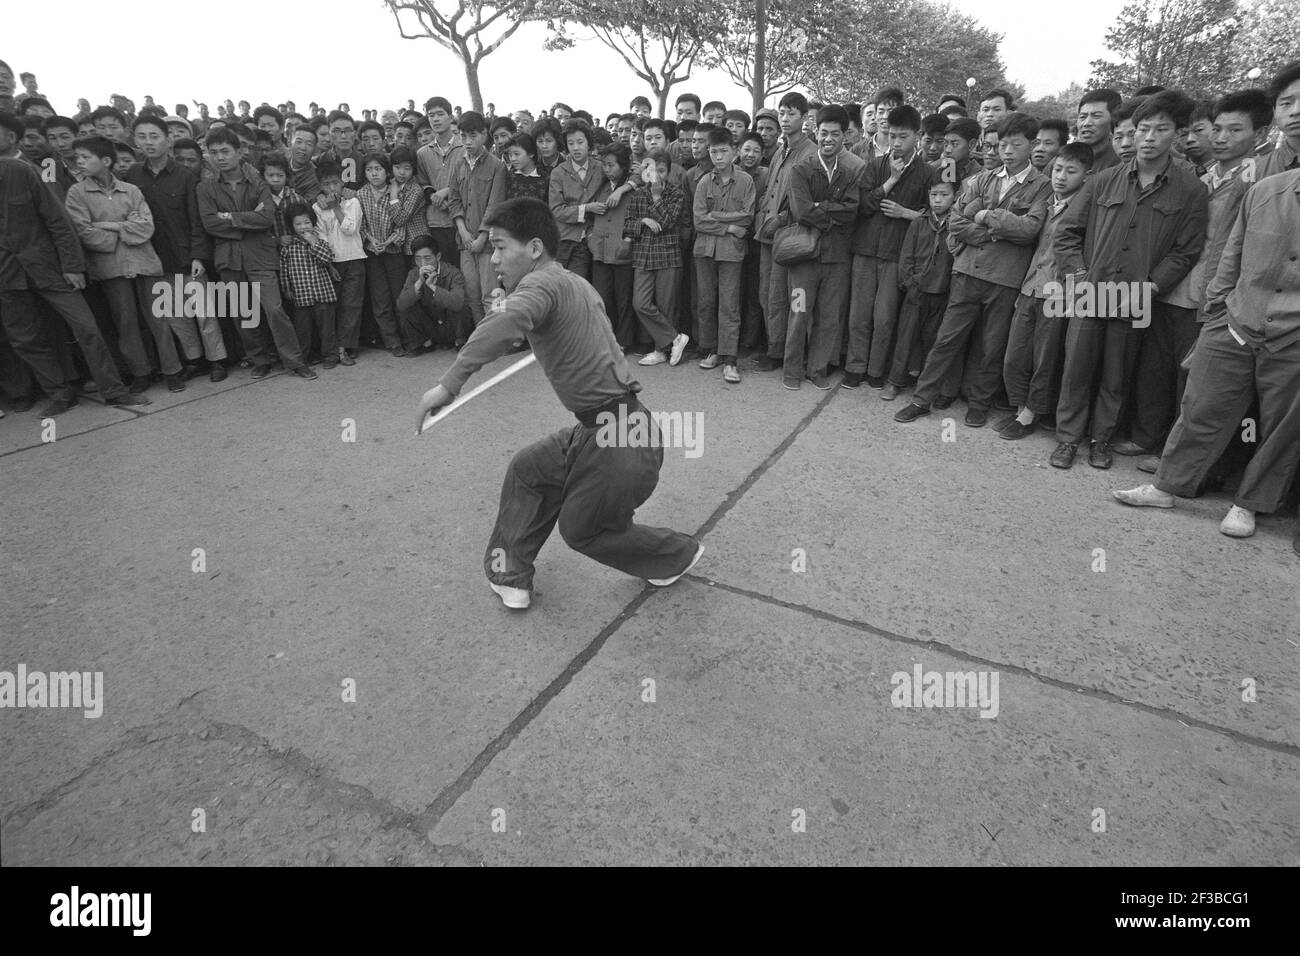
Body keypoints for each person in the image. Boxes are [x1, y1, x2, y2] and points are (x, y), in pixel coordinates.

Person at [415, 198, 703, 609]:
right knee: (530, 469)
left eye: (499, 247)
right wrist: (512, 308)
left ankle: (675, 554)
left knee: (582, 529)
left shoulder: (540, 286)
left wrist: (447, 386)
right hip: (612, 427)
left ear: (534, 249)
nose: (493, 257)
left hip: (619, 439)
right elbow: (518, 320)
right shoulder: (572, 283)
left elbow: (504, 325)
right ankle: (510, 573)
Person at [1112, 166, 1300, 543]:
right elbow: (1233, 250)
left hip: (1293, 336)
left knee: (1283, 427)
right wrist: (1217, 303)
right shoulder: (1266, 190)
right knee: (1200, 406)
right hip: (1236, 318)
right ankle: (1167, 486)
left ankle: (1249, 504)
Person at [1046, 91, 1208, 470]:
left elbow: (1185, 251)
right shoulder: (1103, 181)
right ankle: (1068, 439)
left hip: (1136, 296)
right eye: (1142, 130)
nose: (1149, 138)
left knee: (1116, 375)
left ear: (1177, 134)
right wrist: (1079, 277)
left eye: (1160, 129)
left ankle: (1101, 439)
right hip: (1089, 291)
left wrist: (1152, 286)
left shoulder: (1190, 191)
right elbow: (1067, 232)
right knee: (1076, 370)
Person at [894, 113, 1053, 427]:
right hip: (967, 272)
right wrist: (995, 230)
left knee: (990, 347)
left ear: (1031, 145)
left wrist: (984, 214)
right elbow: (956, 220)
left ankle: (979, 404)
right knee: (945, 340)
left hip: (1006, 279)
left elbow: (1029, 229)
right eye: (1003, 144)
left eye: (1015, 144)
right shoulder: (983, 178)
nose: (1007, 151)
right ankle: (922, 399)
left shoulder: (1042, 186)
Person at [0, 115, 149, 415]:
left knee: (87, 328)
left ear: (11, 137)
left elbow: (58, 222)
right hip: (7, 275)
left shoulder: (23, 171)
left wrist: (72, 265)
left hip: (50, 268)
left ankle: (114, 390)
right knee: (24, 338)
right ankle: (59, 392)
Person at [64, 134, 185, 393]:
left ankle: (172, 370)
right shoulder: (76, 193)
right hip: (111, 267)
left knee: (159, 319)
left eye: (86, 157)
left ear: (105, 160)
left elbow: (146, 228)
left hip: (146, 262)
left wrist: (109, 225)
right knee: (126, 322)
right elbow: (84, 232)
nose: (80, 162)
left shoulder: (131, 190)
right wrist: (125, 229)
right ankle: (141, 372)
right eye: (78, 158)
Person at [196, 126, 316, 380]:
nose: (220, 157)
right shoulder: (205, 188)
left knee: (274, 310)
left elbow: (265, 217)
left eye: (225, 151)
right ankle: (259, 359)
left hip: (261, 256)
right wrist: (245, 222)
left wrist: (229, 218)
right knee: (243, 313)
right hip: (229, 258)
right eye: (214, 152)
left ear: (239, 152)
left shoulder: (258, 183)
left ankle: (294, 360)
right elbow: (210, 224)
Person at [997, 143, 1093, 438]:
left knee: (1044, 358)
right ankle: (1019, 407)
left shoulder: (1085, 210)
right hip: (1029, 287)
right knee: (1015, 355)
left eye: (1071, 171)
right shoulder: (1046, 203)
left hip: (1058, 293)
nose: (1061, 177)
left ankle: (1029, 414)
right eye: (1058, 169)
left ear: (1086, 177)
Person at [125, 113, 226, 382]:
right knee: (175, 315)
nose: (149, 142)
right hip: (153, 258)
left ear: (168, 140)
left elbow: (196, 220)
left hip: (186, 255)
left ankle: (217, 360)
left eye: (154, 136)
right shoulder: (132, 175)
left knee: (204, 312)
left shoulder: (185, 176)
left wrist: (198, 255)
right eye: (142, 136)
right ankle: (195, 360)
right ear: (134, 140)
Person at [844, 104, 937, 390]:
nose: (897, 143)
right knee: (858, 314)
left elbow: (937, 217)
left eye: (904, 137)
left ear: (917, 136)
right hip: (866, 248)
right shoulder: (875, 165)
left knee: (884, 317)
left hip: (897, 253)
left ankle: (875, 369)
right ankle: (855, 367)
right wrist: (891, 180)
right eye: (893, 136)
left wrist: (906, 213)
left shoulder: (928, 173)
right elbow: (863, 204)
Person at [782, 105, 864, 391]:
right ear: (815, 133)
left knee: (829, 318)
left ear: (844, 137)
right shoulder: (800, 169)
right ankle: (791, 370)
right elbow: (802, 211)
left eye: (835, 134)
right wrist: (832, 214)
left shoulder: (851, 171)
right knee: (799, 312)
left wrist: (822, 207)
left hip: (836, 258)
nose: (829, 139)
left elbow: (852, 210)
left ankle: (817, 369)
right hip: (803, 256)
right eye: (824, 133)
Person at [751, 92, 815, 373]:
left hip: (791, 235)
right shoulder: (779, 151)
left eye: (791, 113)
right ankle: (774, 346)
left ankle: (786, 354)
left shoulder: (810, 152)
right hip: (767, 233)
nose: (785, 119)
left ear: (803, 118)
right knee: (767, 294)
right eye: (782, 113)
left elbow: (807, 199)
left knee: (789, 296)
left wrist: (782, 218)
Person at [691, 127, 756, 383]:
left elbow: (748, 216)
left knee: (729, 305)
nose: (718, 157)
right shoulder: (704, 181)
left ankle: (730, 358)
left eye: (723, 151)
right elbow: (698, 220)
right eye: (714, 152)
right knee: (706, 302)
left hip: (731, 253)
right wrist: (729, 226)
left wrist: (713, 217)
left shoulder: (745, 181)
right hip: (705, 249)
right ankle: (710, 350)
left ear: (735, 152)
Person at [886, 178, 957, 401]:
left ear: (954, 197)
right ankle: (895, 381)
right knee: (906, 337)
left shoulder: (956, 224)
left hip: (942, 292)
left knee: (933, 340)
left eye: (944, 195)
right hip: (916, 290)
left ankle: (926, 386)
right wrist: (909, 281)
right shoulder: (920, 222)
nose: (938, 200)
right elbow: (906, 255)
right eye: (934, 195)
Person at [626, 151, 690, 367]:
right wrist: (643, 220)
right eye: (651, 170)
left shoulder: (676, 194)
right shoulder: (637, 195)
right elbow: (627, 225)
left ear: (669, 172)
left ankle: (661, 350)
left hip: (668, 254)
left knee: (666, 306)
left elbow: (668, 221)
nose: (656, 176)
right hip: (643, 255)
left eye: (661, 171)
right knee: (640, 303)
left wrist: (656, 197)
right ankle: (675, 339)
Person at [449, 111, 507, 326]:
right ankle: (480, 335)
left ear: (484, 135)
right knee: (472, 293)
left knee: (492, 294)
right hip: (465, 241)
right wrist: (463, 232)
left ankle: (499, 336)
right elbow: (454, 200)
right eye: (463, 136)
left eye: (473, 136)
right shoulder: (458, 163)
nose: (467, 142)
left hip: (489, 243)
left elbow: (495, 205)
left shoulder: (497, 165)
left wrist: (482, 237)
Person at [314, 161, 367, 363]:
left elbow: (350, 229)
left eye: (335, 183)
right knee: (332, 307)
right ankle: (333, 348)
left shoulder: (353, 203)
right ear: (320, 186)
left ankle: (347, 346)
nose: (332, 188)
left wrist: (336, 207)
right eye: (326, 184)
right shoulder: (317, 208)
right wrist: (328, 264)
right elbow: (322, 237)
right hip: (332, 262)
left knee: (352, 304)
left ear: (342, 182)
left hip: (354, 257)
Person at [588, 143, 639, 349]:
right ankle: (605, 338)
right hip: (599, 249)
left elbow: (638, 216)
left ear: (623, 165)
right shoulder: (600, 184)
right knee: (602, 296)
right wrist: (591, 236)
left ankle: (624, 341)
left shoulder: (633, 187)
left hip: (622, 249)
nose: (607, 169)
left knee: (623, 299)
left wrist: (628, 241)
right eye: (605, 165)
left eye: (611, 165)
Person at [278, 202, 339, 367]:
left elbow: (327, 258)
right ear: (291, 226)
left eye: (306, 222)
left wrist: (314, 243)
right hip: (301, 295)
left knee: (327, 329)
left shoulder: (319, 241)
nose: (303, 226)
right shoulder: (288, 248)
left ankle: (331, 356)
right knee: (303, 330)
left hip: (323, 293)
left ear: (313, 223)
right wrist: (287, 289)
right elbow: (284, 270)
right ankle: (304, 357)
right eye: (298, 224)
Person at [396, 234, 467, 351]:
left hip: (450, 326)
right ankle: (424, 343)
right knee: (406, 303)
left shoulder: (453, 272)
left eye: (427, 258)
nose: (423, 264)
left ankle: (459, 341)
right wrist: (420, 282)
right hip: (431, 326)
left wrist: (431, 286)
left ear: (438, 256)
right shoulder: (414, 274)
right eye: (418, 259)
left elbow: (458, 303)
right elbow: (401, 304)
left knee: (461, 304)